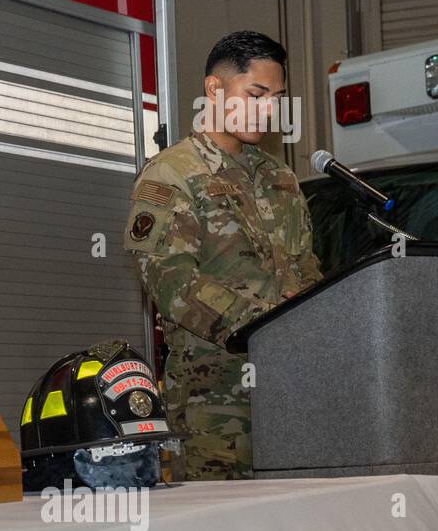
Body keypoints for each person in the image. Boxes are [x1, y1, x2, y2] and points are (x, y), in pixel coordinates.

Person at [123, 31, 322, 480]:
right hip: (214, 406)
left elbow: (307, 271)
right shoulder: (171, 175)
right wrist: (265, 325)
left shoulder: (281, 179)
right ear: (214, 89)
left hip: (291, 394)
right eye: (256, 94)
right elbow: (169, 282)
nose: (268, 109)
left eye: (276, 97)